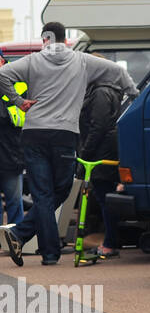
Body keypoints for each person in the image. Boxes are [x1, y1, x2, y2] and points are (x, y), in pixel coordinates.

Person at [0, 23, 137, 266]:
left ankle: (29, 240)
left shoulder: (32, 61)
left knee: (42, 193)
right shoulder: (82, 61)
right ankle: (35, 243)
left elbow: (2, 75)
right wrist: (134, 95)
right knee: (61, 190)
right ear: (65, 39)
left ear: (45, 39)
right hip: (64, 134)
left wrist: (19, 101)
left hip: (34, 133)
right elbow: (118, 72)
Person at [79, 69, 125, 259]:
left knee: (105, 198)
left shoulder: (99, 93)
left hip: (100, 152)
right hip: (107, 149)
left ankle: (110, 243)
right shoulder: (110, 90)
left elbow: (98, 126)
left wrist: (85, 154)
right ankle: (112, 240)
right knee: (106, 198)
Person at [0, 54, 25, 230]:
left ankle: (16, 238)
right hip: (10, 151)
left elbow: (18, 117)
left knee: (14, 200)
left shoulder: (18, 83)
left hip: (10, 152)